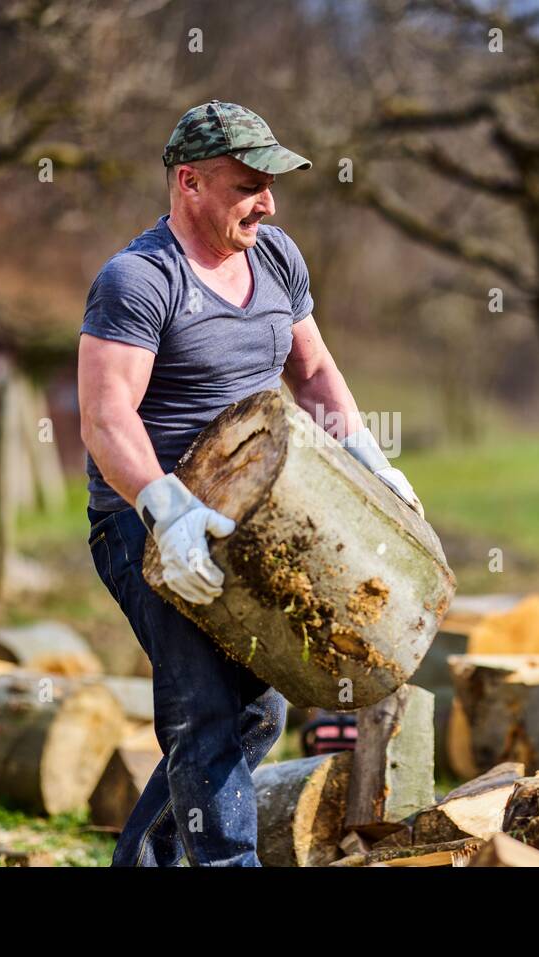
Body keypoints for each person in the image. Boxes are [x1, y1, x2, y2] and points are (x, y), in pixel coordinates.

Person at [78, 100, 424, 866]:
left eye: (271, 184)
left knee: (258, 713)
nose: (266, 202)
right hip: (146, 519)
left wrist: (369, 458)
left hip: (255, 515)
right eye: (247, 185)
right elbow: (106, 421)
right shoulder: (137, 280)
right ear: (190, 182)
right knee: (203, 708)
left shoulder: (275, 258)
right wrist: (164, 509)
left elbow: (314, 371)